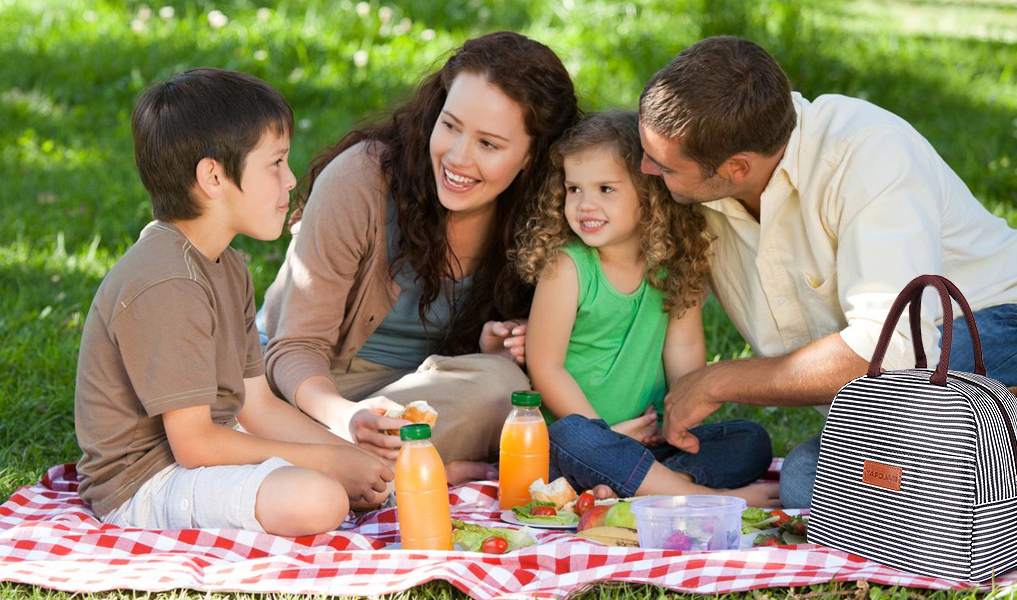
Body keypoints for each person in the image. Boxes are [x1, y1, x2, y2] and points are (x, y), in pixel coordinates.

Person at [635, 36, 1017, 508]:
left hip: (987, 329)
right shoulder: (705, 181)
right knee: (811, 482)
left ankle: (990, 465)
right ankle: (984, 473)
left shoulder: (867, 153)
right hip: (893, 387)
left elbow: (888, 351)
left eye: (665, 166)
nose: (644, 167)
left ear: (737, 167)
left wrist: (718, 380)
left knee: (812, 481)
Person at [74, 69, 393, 536]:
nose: (290, 180)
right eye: (276, 163)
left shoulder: (227, 265)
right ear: (214, 176)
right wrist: (328, 461)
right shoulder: (167, 282)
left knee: (349, 474)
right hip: (143, 482)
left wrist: (346, 454)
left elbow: (257, 404)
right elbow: (194, 445)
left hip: (210, 450)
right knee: (319, 496)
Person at [256, 31, 580, 484]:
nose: (457, 157)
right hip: (311, 388)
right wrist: (346, 417)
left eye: (489, 144)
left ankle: (348, 468)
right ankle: (410, 470)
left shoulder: (549, 215)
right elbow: (294, 348)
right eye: (450, 126)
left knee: (502, 387)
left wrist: (499, 346)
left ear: (532, 155)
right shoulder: (360, 181)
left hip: (420, 399)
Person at [514, 110, 777, 507]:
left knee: (750, 441)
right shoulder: (567, 267)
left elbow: (684, 352)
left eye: (605, 189)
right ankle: (701, 497)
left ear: (649, 195)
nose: (585, 204)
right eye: (574, 189)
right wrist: (606, 433)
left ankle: (645, 485)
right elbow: (545, 367)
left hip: (649, 442)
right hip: (580, 445)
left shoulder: (674, 266)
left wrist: (681, 424)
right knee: (573, 436)